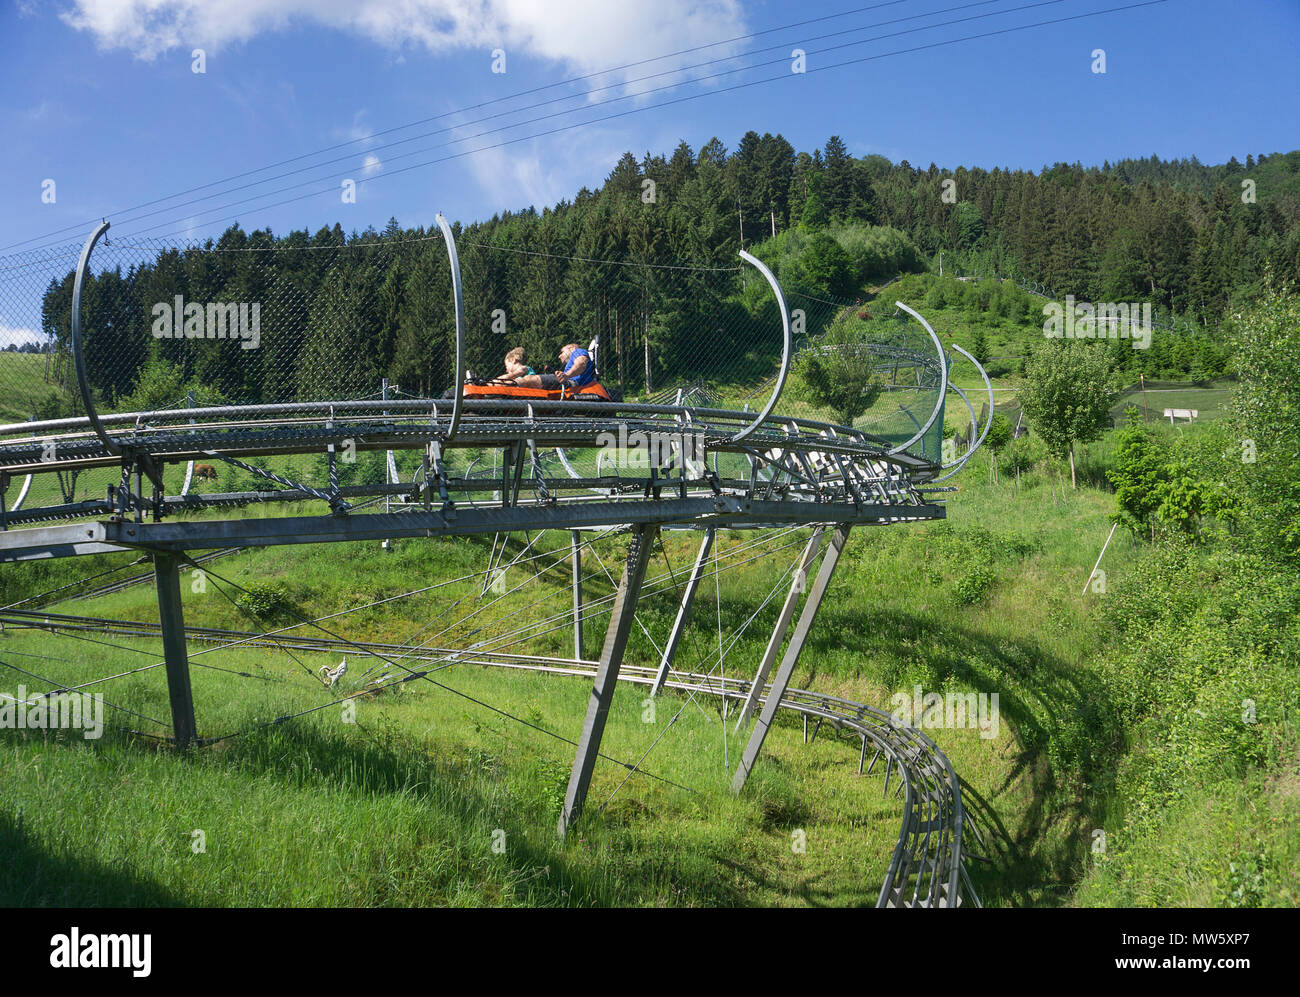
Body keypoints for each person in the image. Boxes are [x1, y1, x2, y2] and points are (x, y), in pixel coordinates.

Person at [516, 343, 597, 391]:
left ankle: (506, 386)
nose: (559, 356)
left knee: (530, 379)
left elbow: (581, 363)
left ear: (571, 347)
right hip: (569, 382)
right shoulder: (573, 361)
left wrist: (566, 375)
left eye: (562, 352)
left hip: (571, 383)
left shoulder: (577, 351)